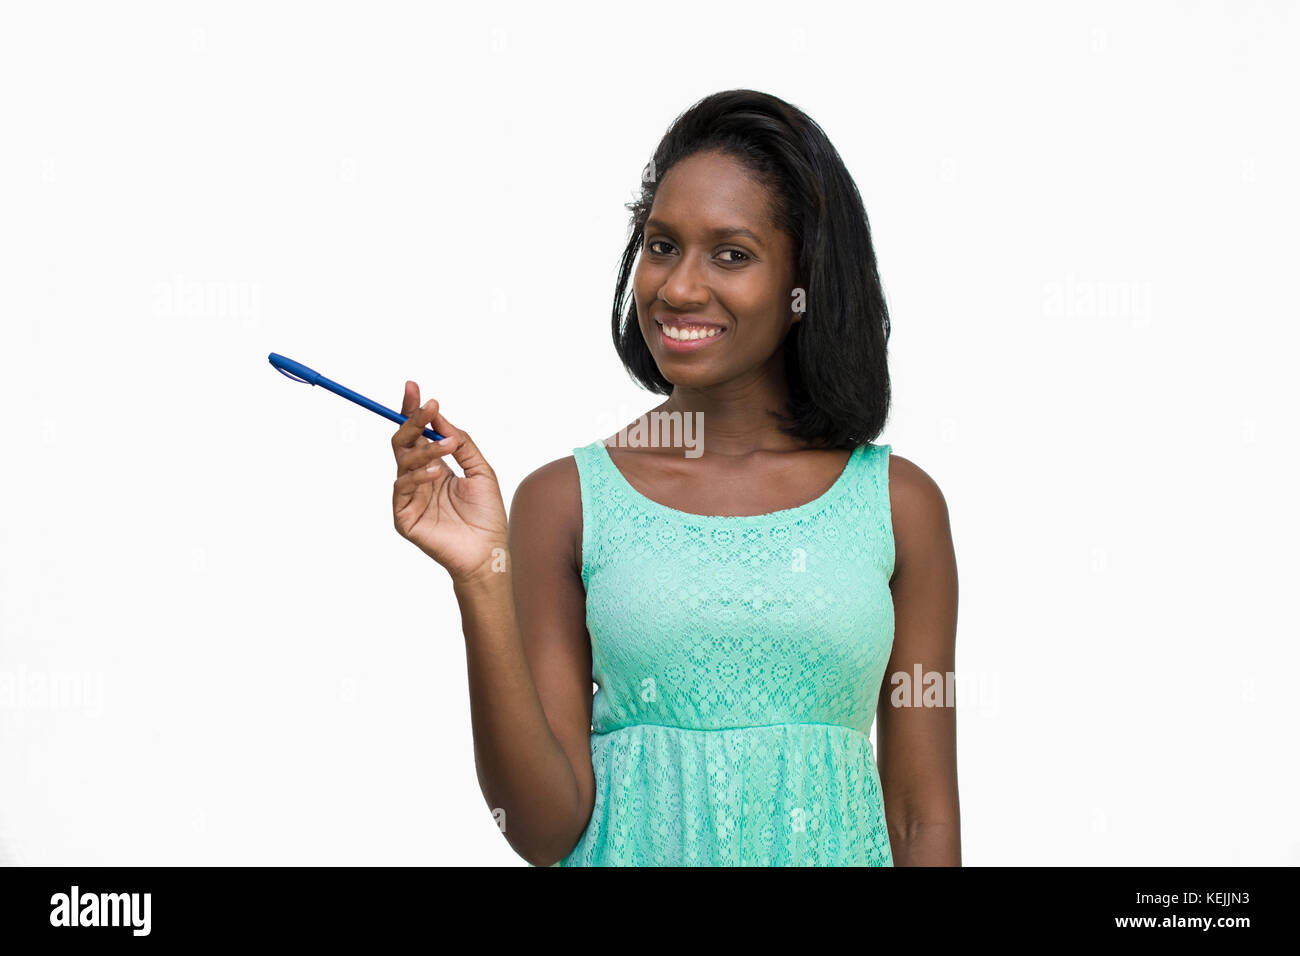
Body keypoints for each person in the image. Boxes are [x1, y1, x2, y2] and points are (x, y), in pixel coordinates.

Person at [389, 89, 960, 866]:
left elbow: (922, 814)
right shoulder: (563, 502)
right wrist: (480, 578)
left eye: (731, 254)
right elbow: (540, 828)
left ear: (806, 283)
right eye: (662, 246)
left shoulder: (900, 506)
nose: (679, 288)